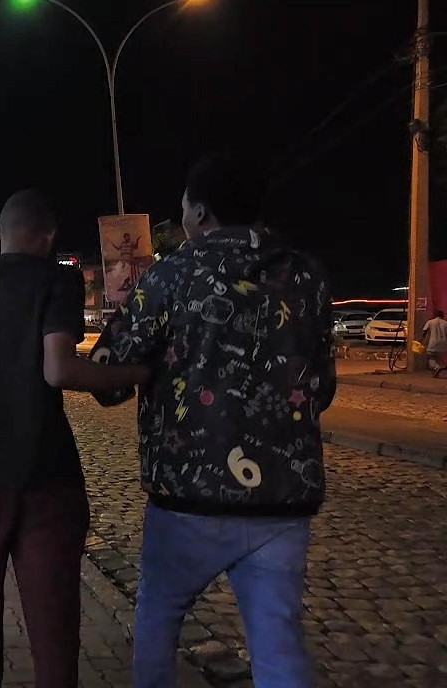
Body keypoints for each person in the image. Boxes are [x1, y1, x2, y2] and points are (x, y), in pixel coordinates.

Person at [95, 152, 335, 686]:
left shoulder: (172, 275)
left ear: (199, 211)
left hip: (188, 497)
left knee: (158, 619)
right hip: (282, 500)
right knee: (278, 643)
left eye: (183, 203)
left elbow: (108, 372)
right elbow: (323, 385)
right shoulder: (307, 275)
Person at [0, 192, 149, 688]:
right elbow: (60, 368)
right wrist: (141, 372)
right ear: (47, 238)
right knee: (53, 624)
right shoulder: (56, 280)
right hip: (48, 481)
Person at [421, 310, 447, 375]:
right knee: (438, 357)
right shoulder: (445, 323)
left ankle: (437, 367)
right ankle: (439, 369)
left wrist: (421, 340)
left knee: (430, 356)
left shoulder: (430, 322)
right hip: (443, 343)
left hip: (433, 342)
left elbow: (424, 331)